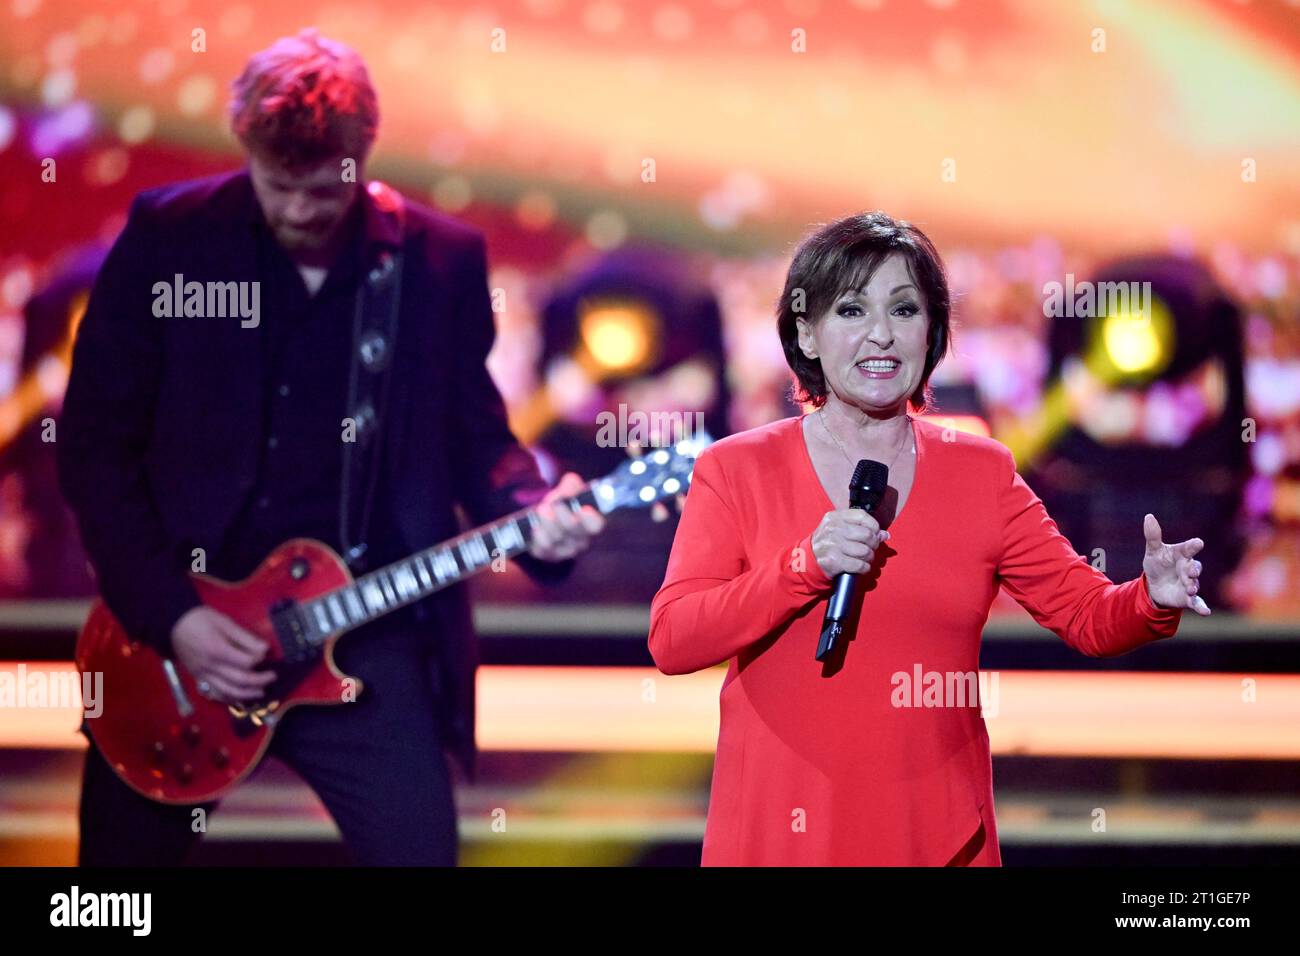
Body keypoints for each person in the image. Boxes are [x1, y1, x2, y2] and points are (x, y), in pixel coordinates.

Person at [57, 29, 604, 866]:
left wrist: (536, 511)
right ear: (244, 146)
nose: (302, 211)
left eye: (324, 188)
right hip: (179, 632)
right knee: (113, 903)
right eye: (281, 187)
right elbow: (95, 447)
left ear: (365, 151)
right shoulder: (171, 237)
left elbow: (478, 440)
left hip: (363, 626)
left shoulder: (435, 262)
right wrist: (174, 616)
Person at [648, 211, 1210, 866]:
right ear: (806, 330)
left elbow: (1089, 617)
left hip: (937, 839)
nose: (881, 335)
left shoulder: (983, 474)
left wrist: (1152, 597)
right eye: (852, 311)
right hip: (780, 838)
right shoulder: (737, 471)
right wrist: (804, 565)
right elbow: (675, 639)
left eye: (906, 309)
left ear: (934, 330)